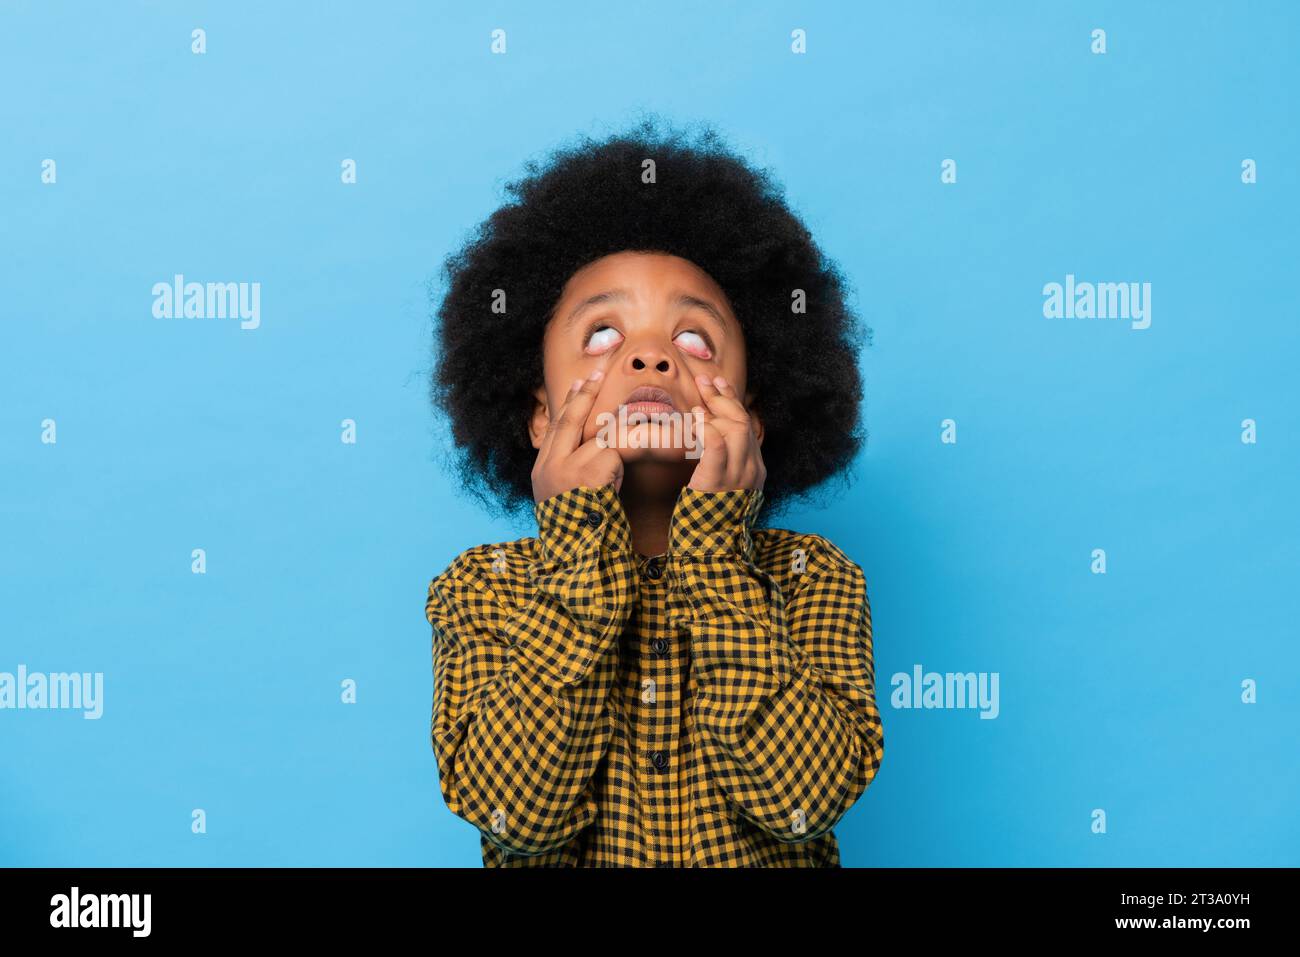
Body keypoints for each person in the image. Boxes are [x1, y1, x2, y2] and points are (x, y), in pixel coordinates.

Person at [425, 115, 884, 866]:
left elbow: (803, 797)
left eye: (694, 340)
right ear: (540, 414)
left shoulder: (814, 579)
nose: (651, 357)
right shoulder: (481, 591)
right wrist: (578, 541)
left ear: (756, 416)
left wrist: (712, 550)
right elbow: (517, 811)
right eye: (604, 336)